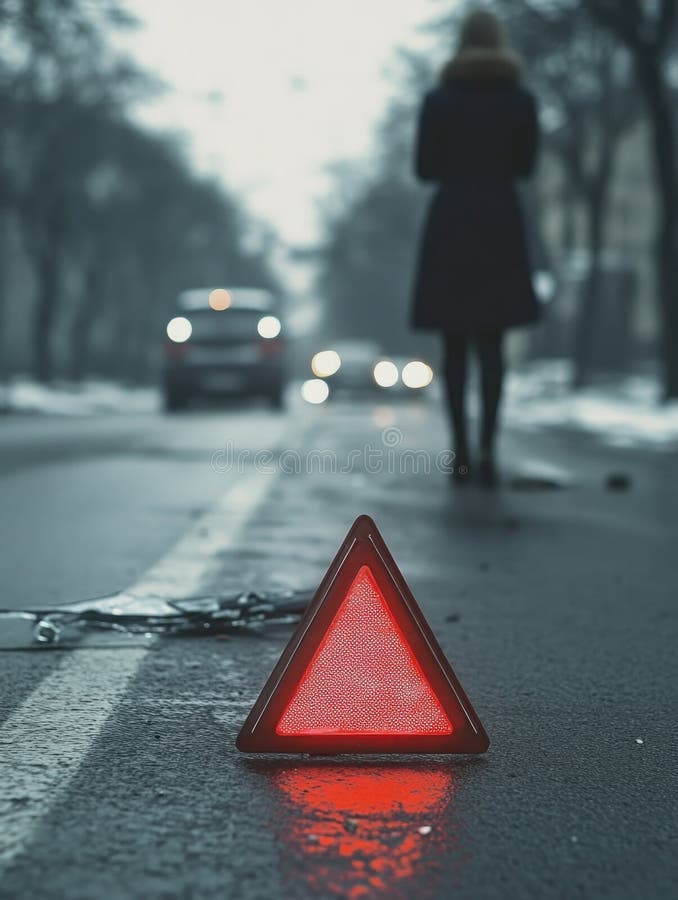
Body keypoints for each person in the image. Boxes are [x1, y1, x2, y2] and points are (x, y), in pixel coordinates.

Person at [411, 9, 540, 487]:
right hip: (500, 221)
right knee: (493, 343)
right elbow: (526, 166)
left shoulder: (438, 100)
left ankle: (460, 450)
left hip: (452, 221)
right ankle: (488, 446)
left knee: (454, 343)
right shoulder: (521, 100)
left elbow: (424, 169)